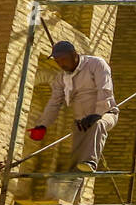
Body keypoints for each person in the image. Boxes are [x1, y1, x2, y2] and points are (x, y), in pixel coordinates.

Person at [29, 41, 118, 188]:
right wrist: (42, 124)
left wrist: (97, 113)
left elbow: (105, 89)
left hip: (105, 113)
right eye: (57, 61)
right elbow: (54, 103)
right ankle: (70, 199)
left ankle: (91, 161)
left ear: (74, 55)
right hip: (81, 122)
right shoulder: (61, 78)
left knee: (98, 125)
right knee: (76, 164)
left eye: (63, 59)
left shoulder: (96, 64)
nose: (61, 64)